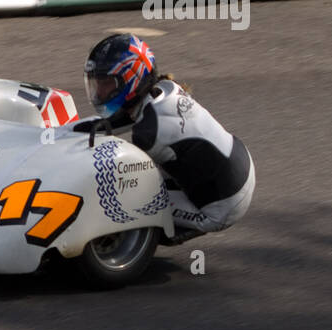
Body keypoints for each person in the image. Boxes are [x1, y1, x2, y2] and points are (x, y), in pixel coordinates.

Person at [73, 34, 254, 242]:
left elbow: (126, 173)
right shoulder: (163, 90)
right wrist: (66, 132)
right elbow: (112, 122)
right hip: (238, 162)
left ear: (130, 80)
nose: (100, 91)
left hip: (225, 203)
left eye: (106, 83)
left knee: (118, 193)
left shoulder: (148, 134)